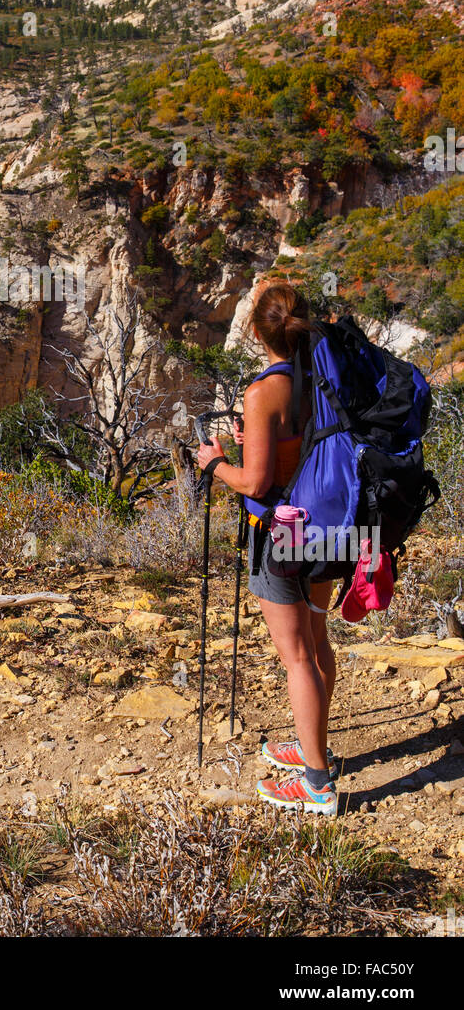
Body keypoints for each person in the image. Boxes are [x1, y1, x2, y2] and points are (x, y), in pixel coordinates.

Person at [196, 283, 338, 816]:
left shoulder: (263, 393)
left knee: (295, 654)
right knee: (317, 640)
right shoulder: (325, 377)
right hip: (326, 524)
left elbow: (256, 484)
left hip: (282, 533)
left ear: (257, 332)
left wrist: (215, 463)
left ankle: (317, 783)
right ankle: (311, 746)